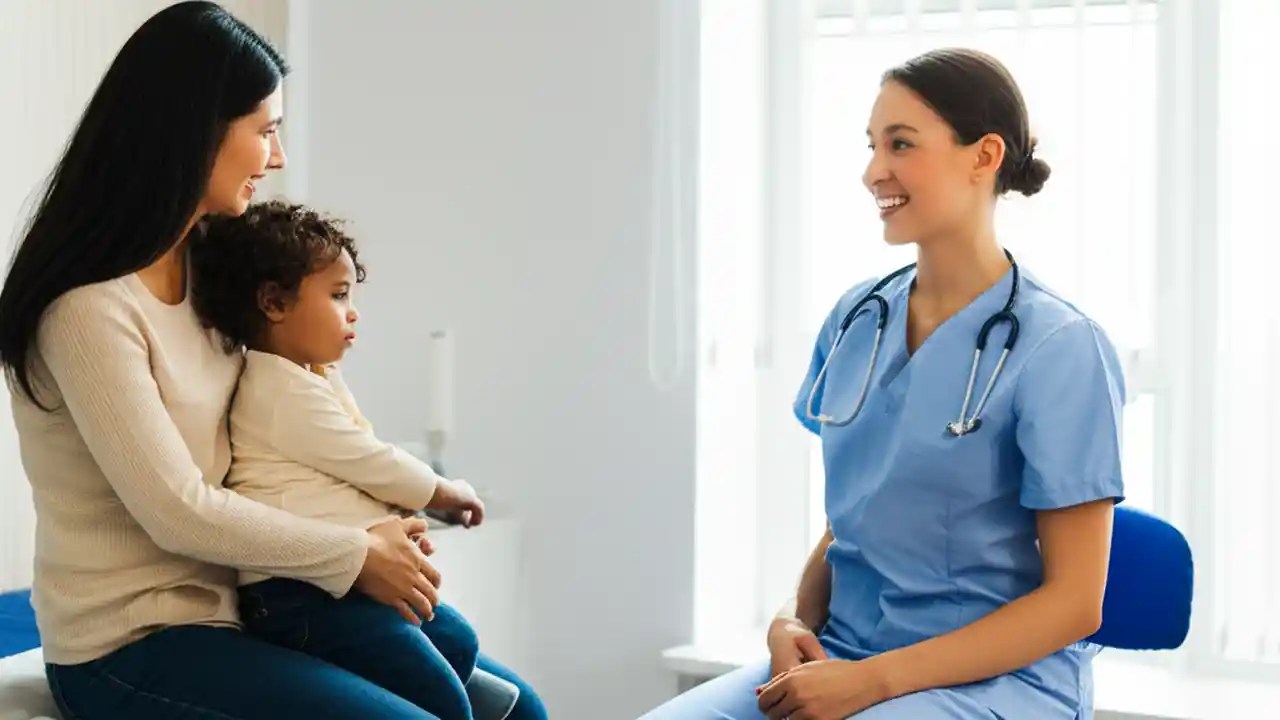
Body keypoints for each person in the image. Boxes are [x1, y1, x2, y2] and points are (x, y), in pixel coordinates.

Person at [0, 3, 538, 718]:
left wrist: (375, 518)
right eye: (264, 130)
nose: (277, 157)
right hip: (131, 645)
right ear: (194, 131)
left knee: (520, 709)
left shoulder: (212, 274)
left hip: (247, 611)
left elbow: (289, 417)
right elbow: (177, 511)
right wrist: (354, 552)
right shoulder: (89, 309)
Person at [643, 47, 1125, 720]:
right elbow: (855, 518)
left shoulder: (1061, 348)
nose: (874, 171)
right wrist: (792, 616)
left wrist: (874, 682)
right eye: (872, 145)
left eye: (901, 144)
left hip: (992, 679)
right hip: (846, 653)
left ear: (984, 156)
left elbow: (1075, 604)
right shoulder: (857, 318)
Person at [188, 200, 541, 720]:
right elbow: (369, 460)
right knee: (440, 697)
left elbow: (352, 470)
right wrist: (445, 492)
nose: (352, 312)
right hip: (300, 598)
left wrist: (395, 521)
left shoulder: (314, 378)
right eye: (338, 295)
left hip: (343, 585)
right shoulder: (277, 392)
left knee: (459, 641)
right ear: (273, 302)